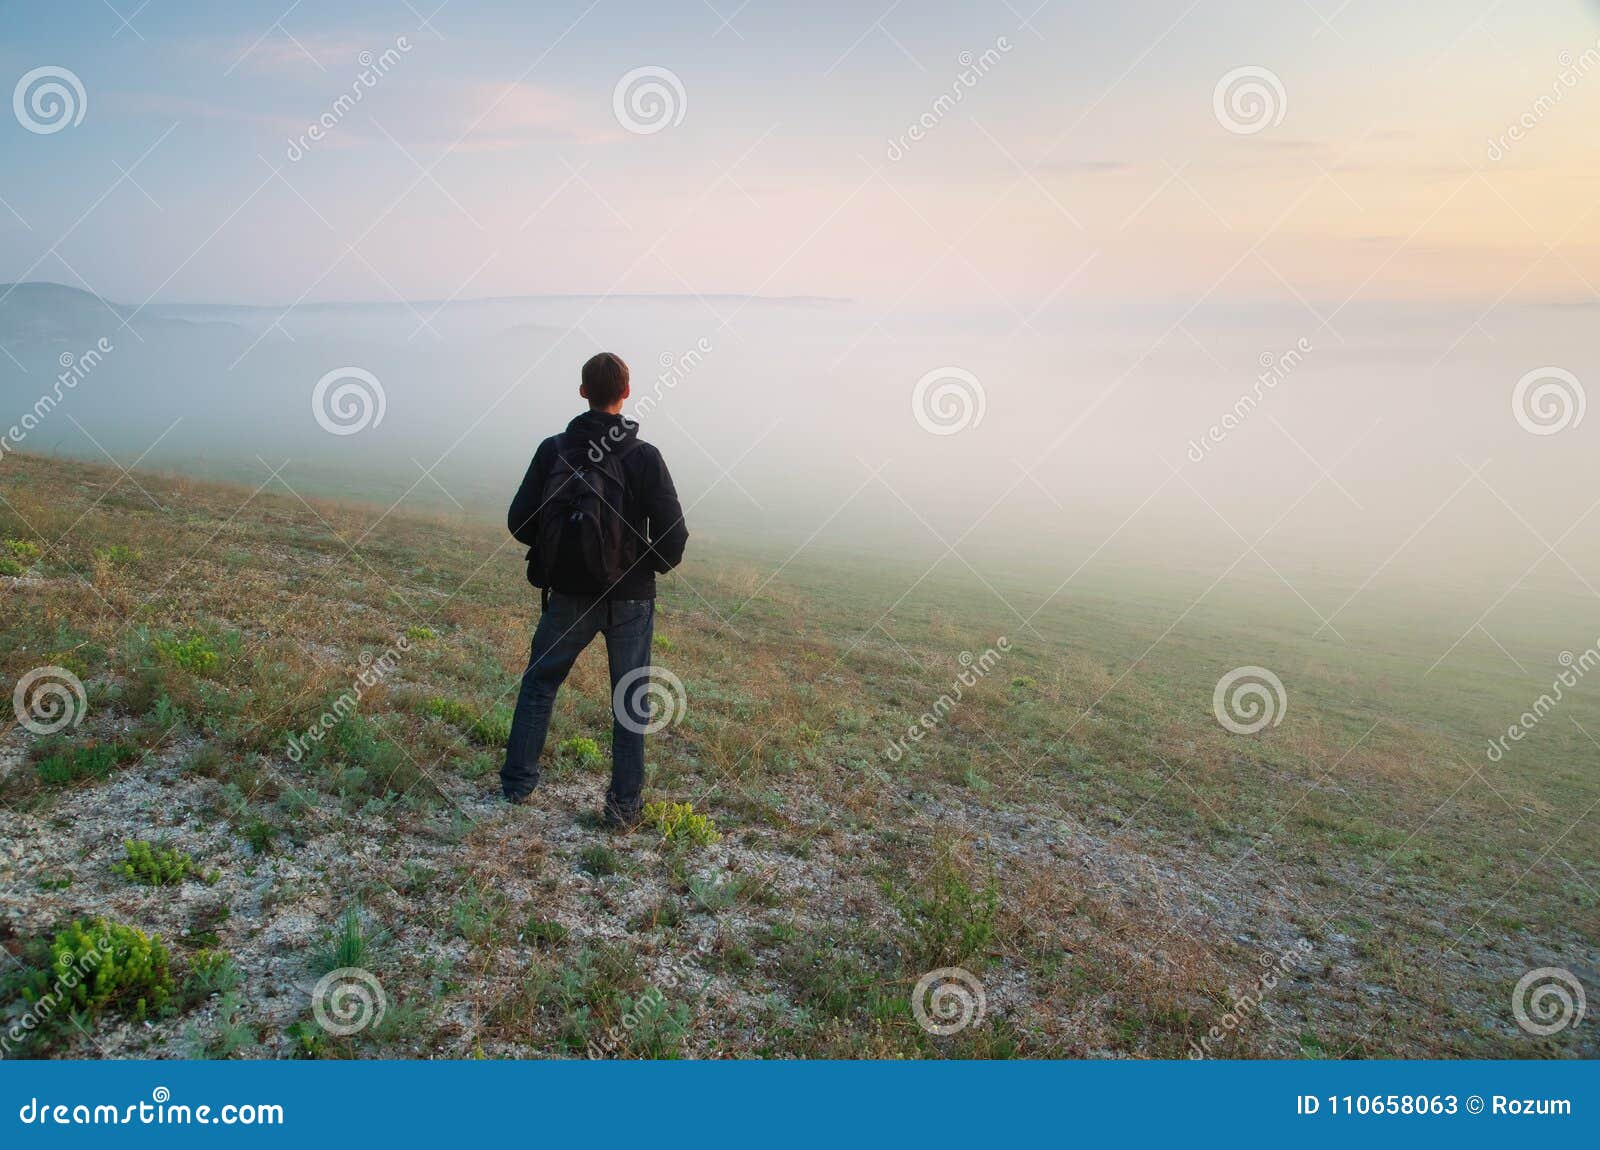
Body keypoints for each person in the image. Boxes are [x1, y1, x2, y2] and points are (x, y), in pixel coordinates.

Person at [501, 351, 688, 826]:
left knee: (540, 685)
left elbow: (519, 520)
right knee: (630, 701)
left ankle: (516, 787)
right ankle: (623, 809)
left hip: (568, 593)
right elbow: (674, 537)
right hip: (631, 598)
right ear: (626, 393)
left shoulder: (554, 450)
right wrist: (639, 566)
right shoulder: (644, 456)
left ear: (583, 392)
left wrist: (560, 553)